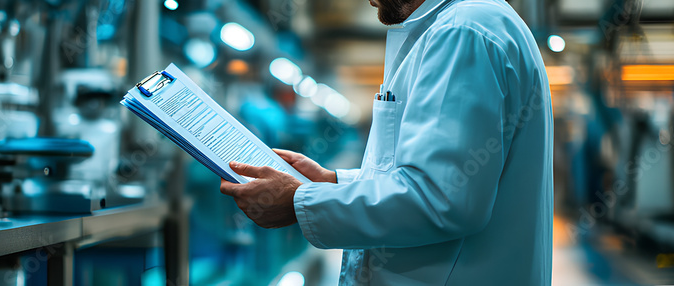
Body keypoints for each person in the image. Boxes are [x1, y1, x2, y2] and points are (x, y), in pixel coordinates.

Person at [218, 0, 553, 284]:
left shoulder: (462, 30)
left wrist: (299, 201)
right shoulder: (463, 26)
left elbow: (440, 199)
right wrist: (331, 181)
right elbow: (429, 179)